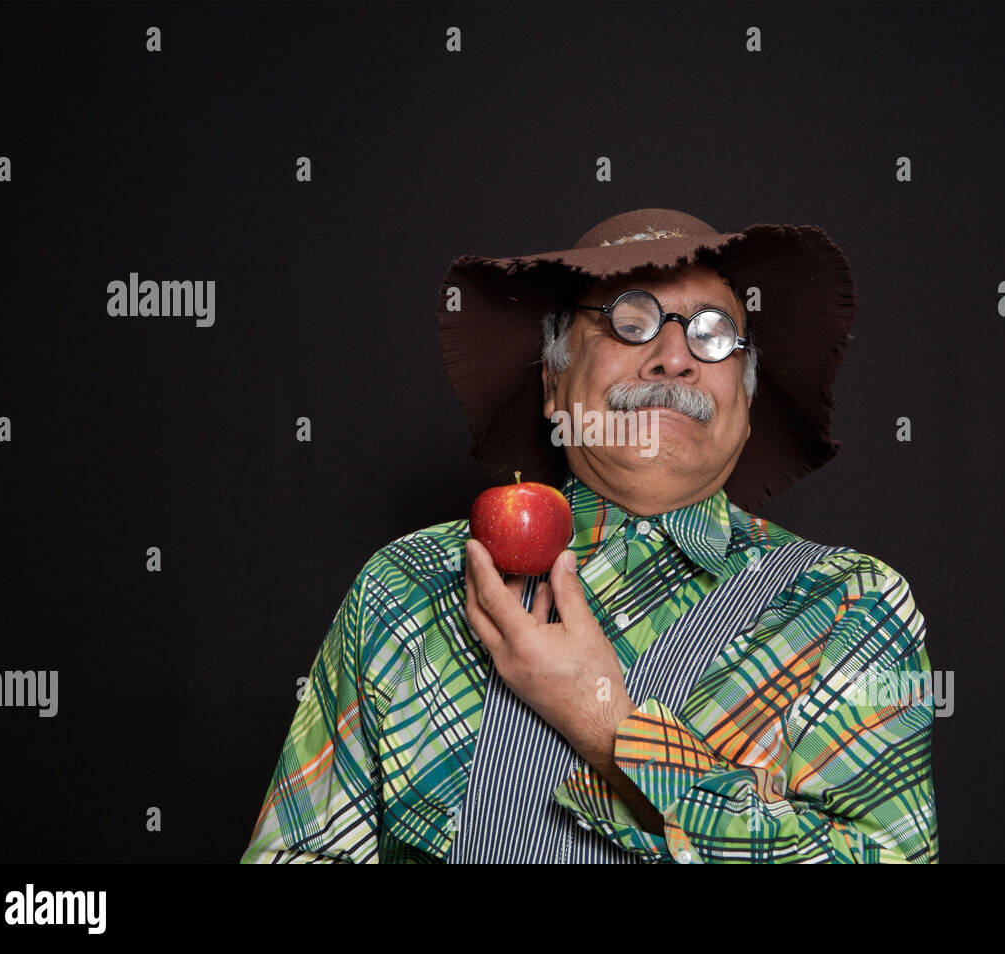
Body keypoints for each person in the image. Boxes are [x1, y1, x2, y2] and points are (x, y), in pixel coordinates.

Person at [240, 208, 938, 864]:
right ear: (553, 382)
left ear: (746, 404)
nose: (674, 358)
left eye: (714, 334)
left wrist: (610, 728)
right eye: (631, 320)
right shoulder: (410, 585)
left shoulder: (851, 604)